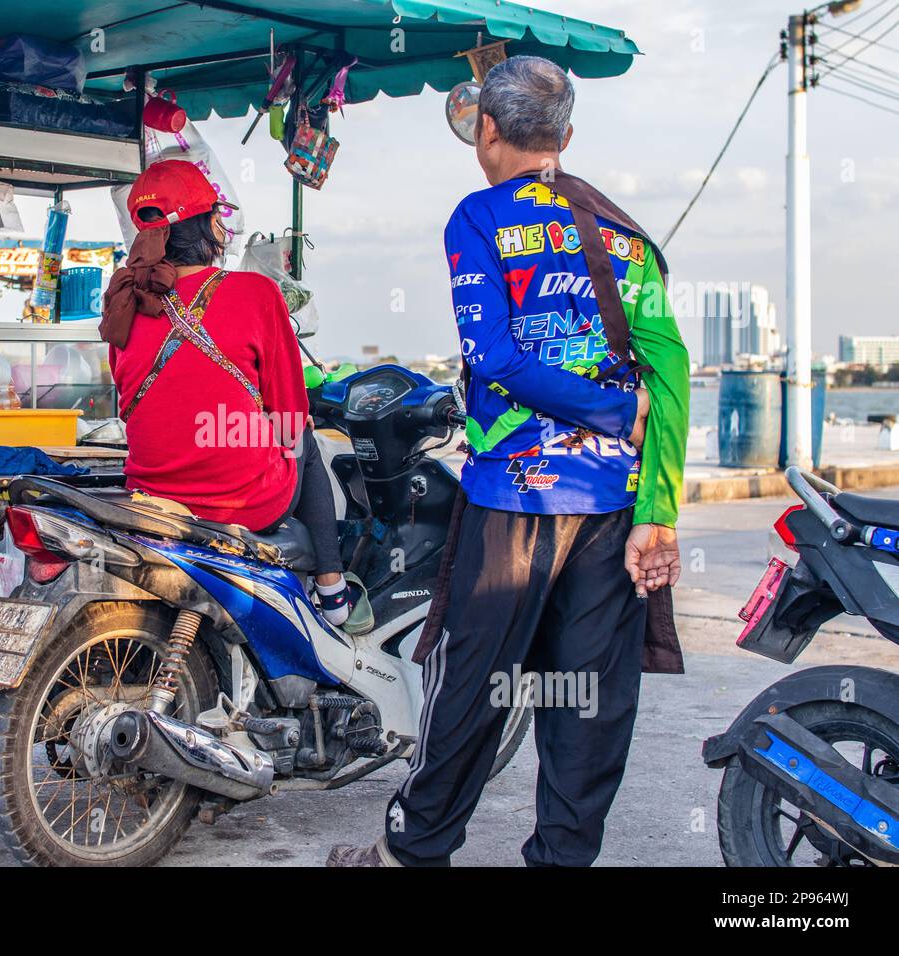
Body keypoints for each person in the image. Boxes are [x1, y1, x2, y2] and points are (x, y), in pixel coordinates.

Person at [329, 55, 690, 867]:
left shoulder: (479, 217)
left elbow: (490, 356)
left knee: (470, 692)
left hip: (514, 504)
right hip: (613, 507)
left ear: (487, 130)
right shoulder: (624, 230)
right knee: (590, 704)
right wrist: (658, 511)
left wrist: (605, 408)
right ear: (566, 135)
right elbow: (668, 381)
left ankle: (412, 851)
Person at [101, 159, 369, 631]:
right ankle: (333, 592)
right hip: (238, 499)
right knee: (303, 441)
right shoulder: (256, 293)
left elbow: (128, 402)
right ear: (207, 225)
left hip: (151, 494)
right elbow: (290, 410)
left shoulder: (125, 301)